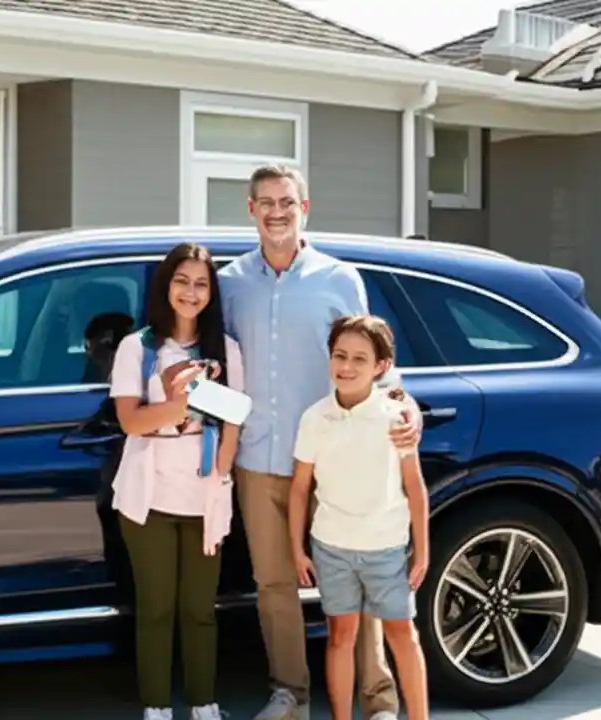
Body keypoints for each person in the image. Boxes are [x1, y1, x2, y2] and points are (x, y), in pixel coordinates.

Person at [218, 164, 421, 720]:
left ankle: (378, 701)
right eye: (266, 202)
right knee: (273, 584)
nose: (276, 211)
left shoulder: (339, 278)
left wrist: (407, 408)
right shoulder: (230, 282)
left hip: (338, 461)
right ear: (251, 210)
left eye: (287, 201)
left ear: (304, 209)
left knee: (358, 581)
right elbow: (218, 365)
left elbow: (378, 361)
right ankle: (290, 694)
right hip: (259, 457)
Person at [109, 242, 246, 720]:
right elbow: (131, 421)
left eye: (202, 283)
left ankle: (204, 704)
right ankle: (157, 707)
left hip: (204, 497)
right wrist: (182, 402)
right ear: (166, 286)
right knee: (156, 609)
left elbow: (234, 420)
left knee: (200, 609)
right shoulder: (139, 347)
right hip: (147, 497)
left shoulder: (226, 351)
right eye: (182, 281)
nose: (191, 292)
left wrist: (221, 472)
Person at [288, 315, 431, 720]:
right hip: (331, 546)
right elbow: (300, 487)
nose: (346, 367)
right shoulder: (315, 418)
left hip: (385, 546)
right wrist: (297, 550)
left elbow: (415, 486)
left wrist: (422, 551)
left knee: (401, 633)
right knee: (341, 636)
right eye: (339, 356)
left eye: (359, 359)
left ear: (381, 367)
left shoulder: (395, 417)